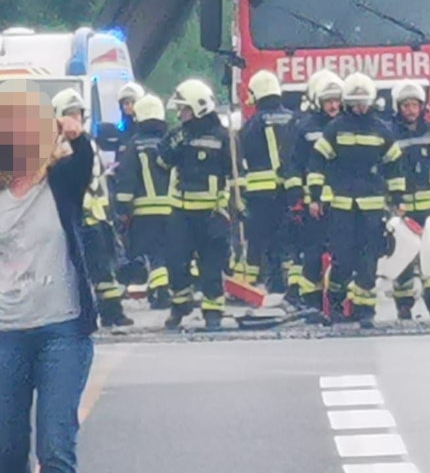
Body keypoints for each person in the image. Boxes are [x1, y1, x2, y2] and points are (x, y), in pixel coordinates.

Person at [0, 79, 97, 473]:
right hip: (6, 334)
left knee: (55, 449)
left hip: (62, 331)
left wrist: (73, 131)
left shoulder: (62, 181)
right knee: (6, 451)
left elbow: (83, 159)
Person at [307, 73, 404, 329]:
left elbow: (394, 165)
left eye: (364, 102)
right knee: (342, 258)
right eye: (355, 102)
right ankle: (336, 304)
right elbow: (317, 162)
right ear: (347, 103)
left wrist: (397, 199)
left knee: (368, 260)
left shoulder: (381, 129)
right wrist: (315, 197)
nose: (360, 107)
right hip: (341, 206)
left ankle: (365, 310)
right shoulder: (336, 128)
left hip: (371, 207)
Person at [52, 89, 132, 328]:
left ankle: (111, 313)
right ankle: (88, 315)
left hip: (97, 219)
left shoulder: (86, 142)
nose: (74, 119)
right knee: (78, 271)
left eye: (77, 114)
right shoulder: (60, 146)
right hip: (76, 219)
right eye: (69, 114)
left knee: (103, 270)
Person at [159, 78, 234, 331]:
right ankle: (180, 305)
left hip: (211, 211)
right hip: (180, 210)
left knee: (211, 265)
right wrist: (172, 143)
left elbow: (234, 177)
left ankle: (213, 312)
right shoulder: (179, 134)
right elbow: (162, 162)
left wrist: (227, 211)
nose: (180, 114)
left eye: (185, 109)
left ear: (199, 108)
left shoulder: (223, 137)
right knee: (175, 261)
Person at [388, 80, 430, 320]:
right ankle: (404, 305)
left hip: (429, 208)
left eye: (414, 105)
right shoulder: (389, 133)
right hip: (400, 209)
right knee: (403, 258)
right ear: (397, 107)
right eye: (405, 105)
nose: (410, 110)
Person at [282, 70, 343, 313]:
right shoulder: (305, 127)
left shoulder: (347, 126)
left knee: (342, 252)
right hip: (313, 203)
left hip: (343, 202)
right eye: (328, 101)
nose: (333, 106)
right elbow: (294, 165)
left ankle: (339, 302)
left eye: (337, 100)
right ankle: (311, 300)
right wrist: (296, 198)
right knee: (313, 252)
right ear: (318, 101)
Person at [235, 70, 299, 294]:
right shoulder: (294, 118)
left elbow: (242, 158)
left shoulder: (251, 125)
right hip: (289, 190)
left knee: (259, 240)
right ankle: (291, 282)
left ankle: (252, 282)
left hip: (261, 194)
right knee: (288, 238)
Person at [112, 94, 174, 310]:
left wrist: (121, 208)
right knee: (169, 250)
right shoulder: (170, 142)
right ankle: (173, 290)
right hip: (173, 208)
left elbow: (126, 179)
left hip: (145, 211)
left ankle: (161, 292)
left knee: (154, 252)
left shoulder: (133, 145)